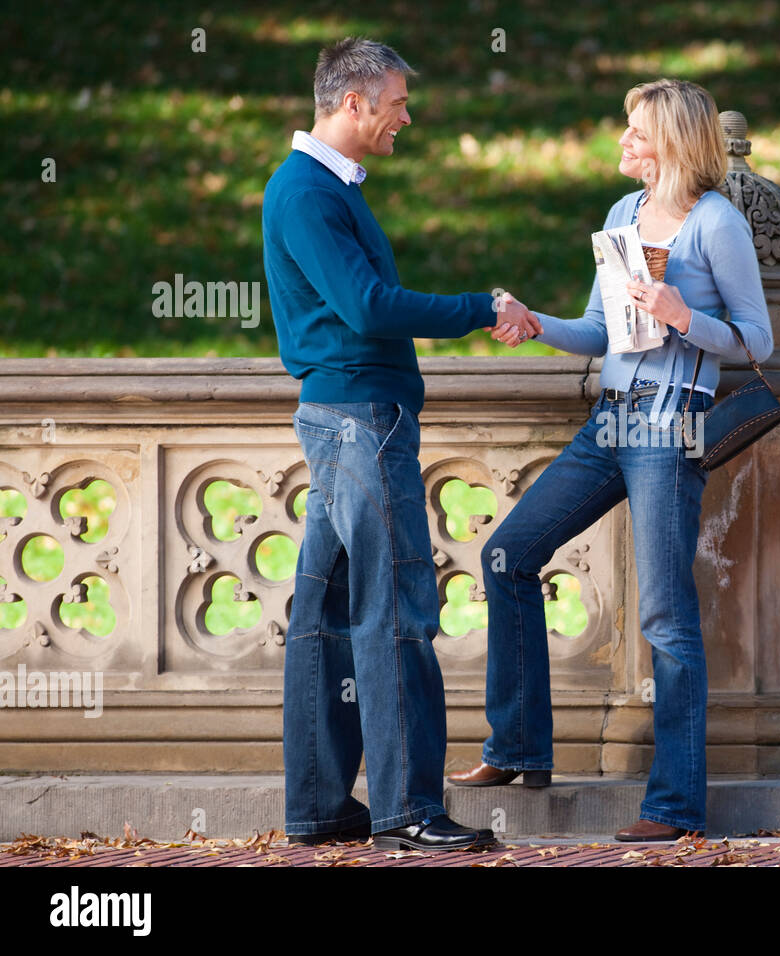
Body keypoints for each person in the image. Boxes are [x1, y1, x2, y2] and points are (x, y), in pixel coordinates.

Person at [449, 78, 774, 841]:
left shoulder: (716, 224)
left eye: (635, 132)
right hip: (611, 423)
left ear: (672, 142)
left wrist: (685, 317)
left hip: (671, 432)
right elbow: (602, 330)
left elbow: (757, 340)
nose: (622, 144)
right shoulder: (622, 215)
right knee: (507, 555)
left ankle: (673, 808)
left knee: (665, 618)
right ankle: (519, 746)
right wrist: (537, 325)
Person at [261, 37, 540, 851]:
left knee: (328, 615)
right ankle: (409, 810)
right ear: (352, 103)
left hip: (342, 415)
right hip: (360, 420)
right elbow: (370, 307)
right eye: (396, 103)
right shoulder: (309, 192)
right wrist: (480, 308)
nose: (405, 117)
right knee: (398, 612)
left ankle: (320, 806)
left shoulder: (316, 187)